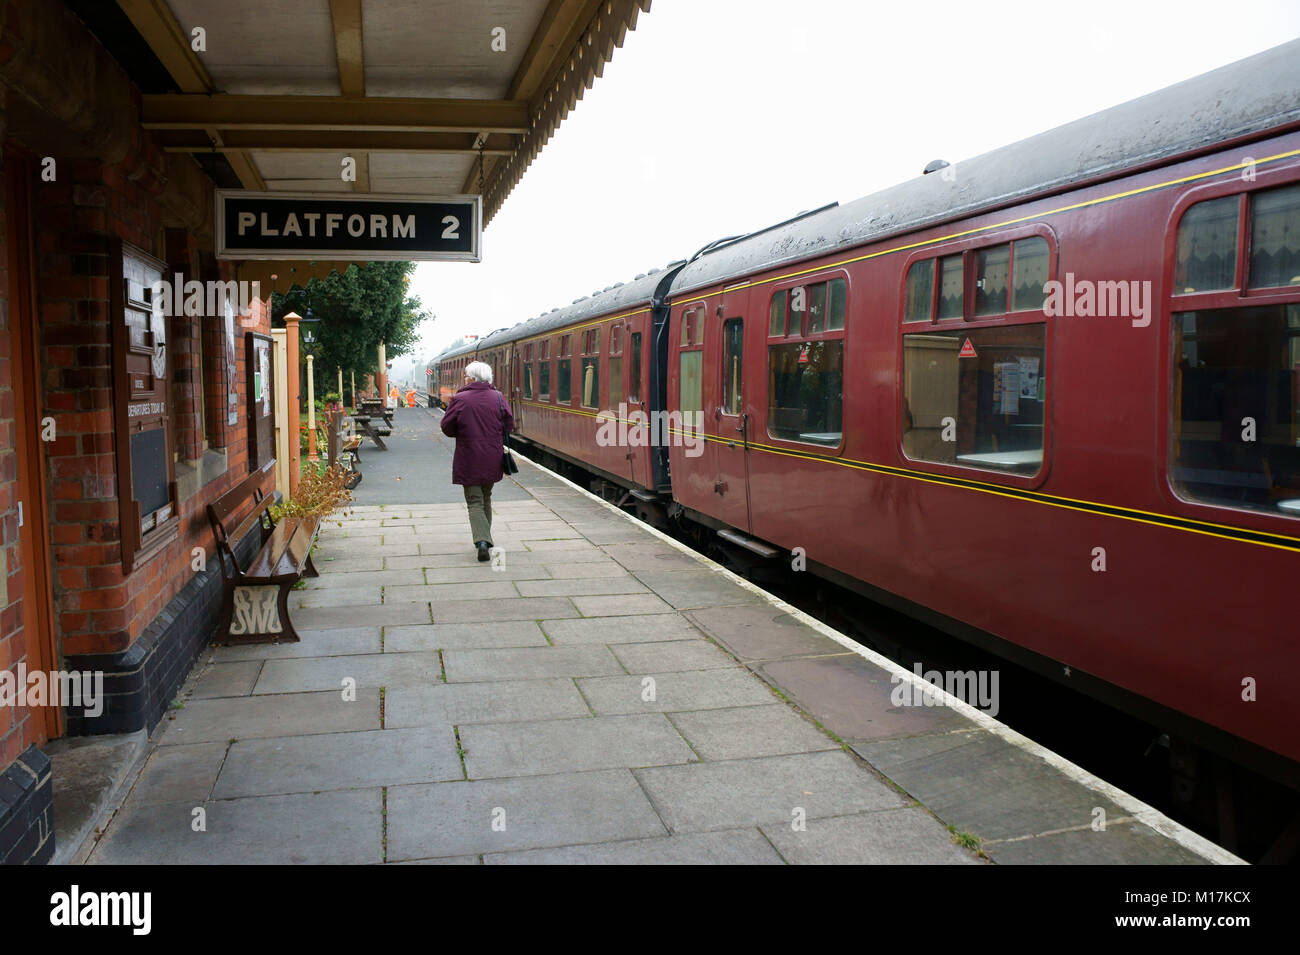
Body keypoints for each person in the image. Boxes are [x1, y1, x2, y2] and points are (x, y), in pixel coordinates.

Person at [439, 360, 515, 561]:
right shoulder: (498, 397)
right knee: (486, 496)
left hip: (469, 455)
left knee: (474, 500)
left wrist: (463, 432)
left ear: (472, 378)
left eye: (466, 375)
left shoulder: (460, 399)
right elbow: (509, 424)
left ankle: (482, 541)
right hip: (492, 455)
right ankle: (485, 538)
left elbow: (447, 427)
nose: (464, 378)